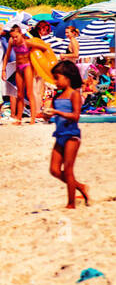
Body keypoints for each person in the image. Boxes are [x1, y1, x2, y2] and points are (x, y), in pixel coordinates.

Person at [48, 60, 89, 209]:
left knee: (69, 170)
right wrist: (46, 115)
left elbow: (75, 116)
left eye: (57, 78)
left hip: (71, 135)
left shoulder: (74, 95)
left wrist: (57, 112)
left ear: (68, 77)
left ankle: (71, 203)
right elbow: (52, 115)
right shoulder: (57, 97)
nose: (55, 82)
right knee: (54, 170)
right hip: (59, 135)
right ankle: (80, 187)